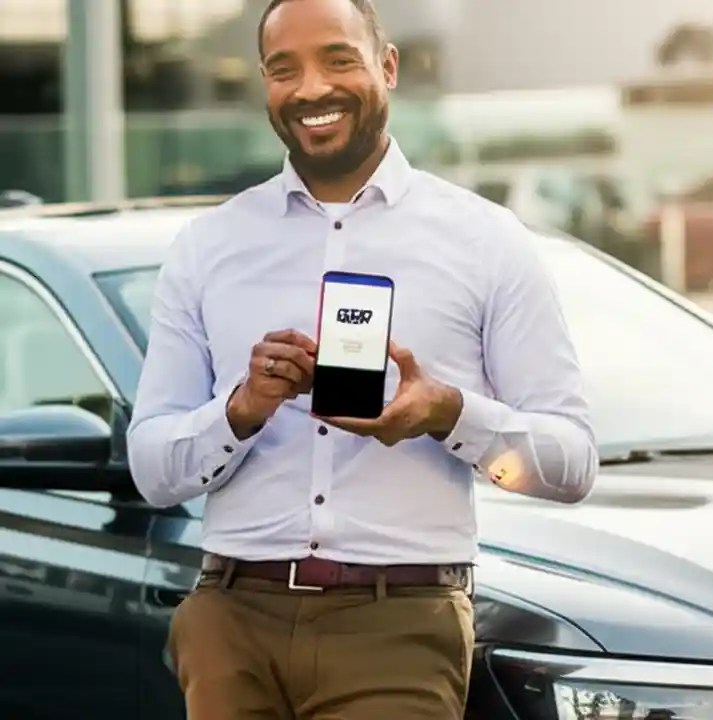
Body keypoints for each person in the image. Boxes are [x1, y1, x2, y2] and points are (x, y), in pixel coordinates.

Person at [125, 0, 599, 717]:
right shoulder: (208, 245)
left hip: (398, 623)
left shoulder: (486, 241)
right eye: (284, 69)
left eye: (338, 59)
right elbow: (153, 472)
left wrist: (447, 414)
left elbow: (572, 465)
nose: (311, 88)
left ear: (388, 66)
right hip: (230, 619)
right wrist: (240, 412)